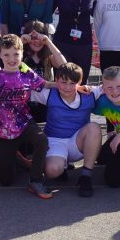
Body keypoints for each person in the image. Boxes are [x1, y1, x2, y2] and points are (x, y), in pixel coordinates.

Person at [0, 34, 53, 199]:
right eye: (7, 54)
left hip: (24, 123)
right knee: (6, 181)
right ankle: (19, 159)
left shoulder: (27, 73)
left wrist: (70, 86)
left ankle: (36, 180)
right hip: (3, 130)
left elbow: (45, 84)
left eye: (16, 54)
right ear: (0, 55)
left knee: (42, 139)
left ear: (22, 54)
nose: (12, 58)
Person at [32, 63, 101, 198]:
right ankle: (61, 165)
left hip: (78, 143)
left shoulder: (90, 93)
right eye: (63, 82)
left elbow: (113, 86)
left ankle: (86, 176)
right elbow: (20, 88)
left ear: (80, 82)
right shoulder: (49, 94)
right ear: (56, 80)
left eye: (72, 83)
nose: (68, 87)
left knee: (94, 127)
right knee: (52, 171)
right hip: (55, 141)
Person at [52, 0, 97, 81]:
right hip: (62, 43)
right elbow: (46, 13)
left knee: (81, 82)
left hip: (84, 44)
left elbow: (98, 14)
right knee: (63, 80)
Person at [20, 19, 66, 124]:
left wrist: (48, 42)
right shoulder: (20, 55)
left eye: (40, 37)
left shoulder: (48, 57)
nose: (37, 41)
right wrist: (20, 42)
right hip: (24, 109)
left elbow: (64, 65)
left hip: (44, 108)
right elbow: (8, 56)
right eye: (33, 38)